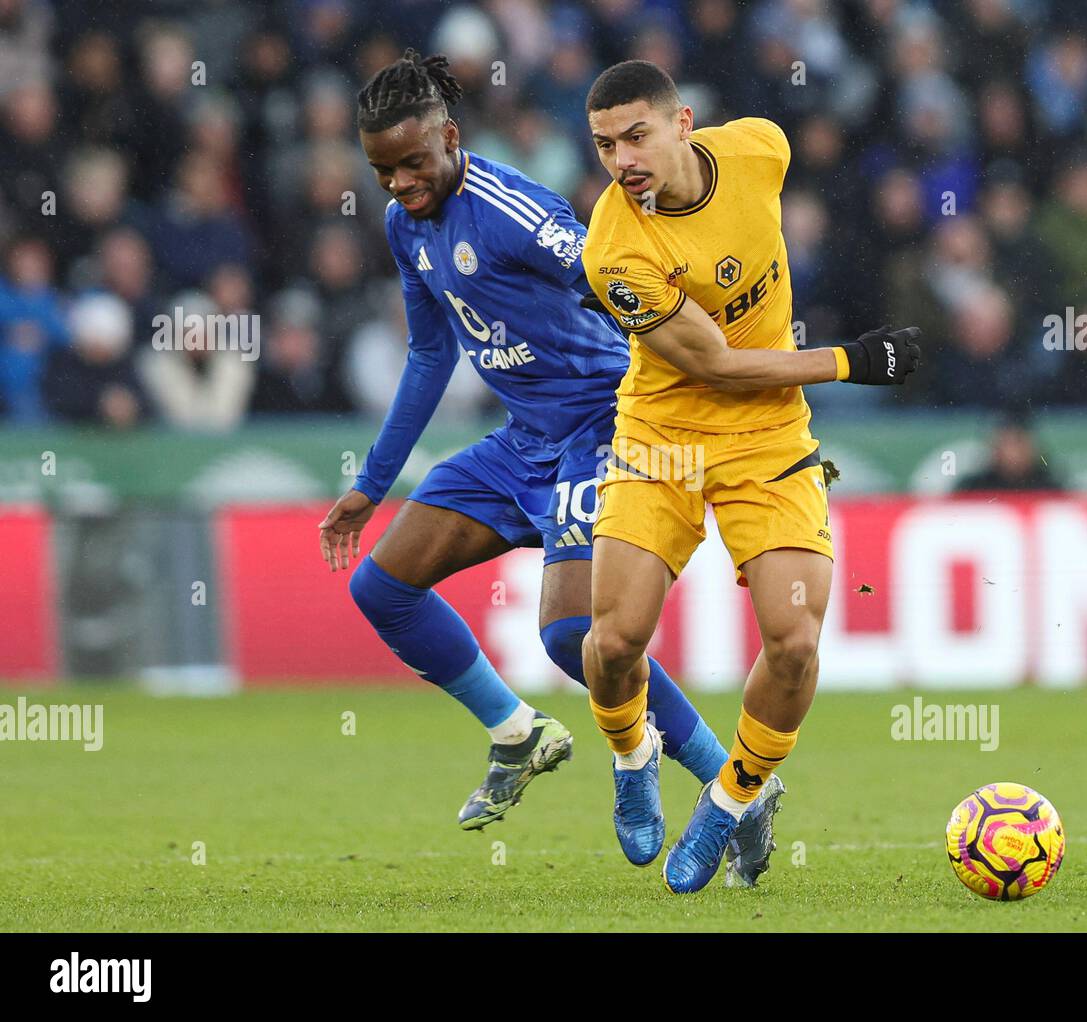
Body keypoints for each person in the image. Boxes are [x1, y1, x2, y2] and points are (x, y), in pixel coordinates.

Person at [316, 50, 780, 884]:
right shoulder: (404, 224)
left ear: (451, 138)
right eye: (382, 169)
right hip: (523, 436)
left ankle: (727, 781)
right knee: (380, 588)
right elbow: (429, 355)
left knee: (572, 635)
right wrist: (368, 487)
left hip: (605, 425)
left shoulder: (513, 212)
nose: (397, 182)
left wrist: (712, 385)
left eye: (414, 162)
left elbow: (616, 279)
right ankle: (516, 732)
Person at [578, 60, 921, 893]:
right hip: (662, 437)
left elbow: (812, 167)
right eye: (603, 145)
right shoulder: (617, 249)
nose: (622, 159)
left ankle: (732, 801)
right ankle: (633, 756)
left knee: (796, 642)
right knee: (616, 640)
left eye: (636, 135)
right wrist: (851, 359)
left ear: (683, 122)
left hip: (768, 443)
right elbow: (719, 364)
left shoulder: (761, 150)